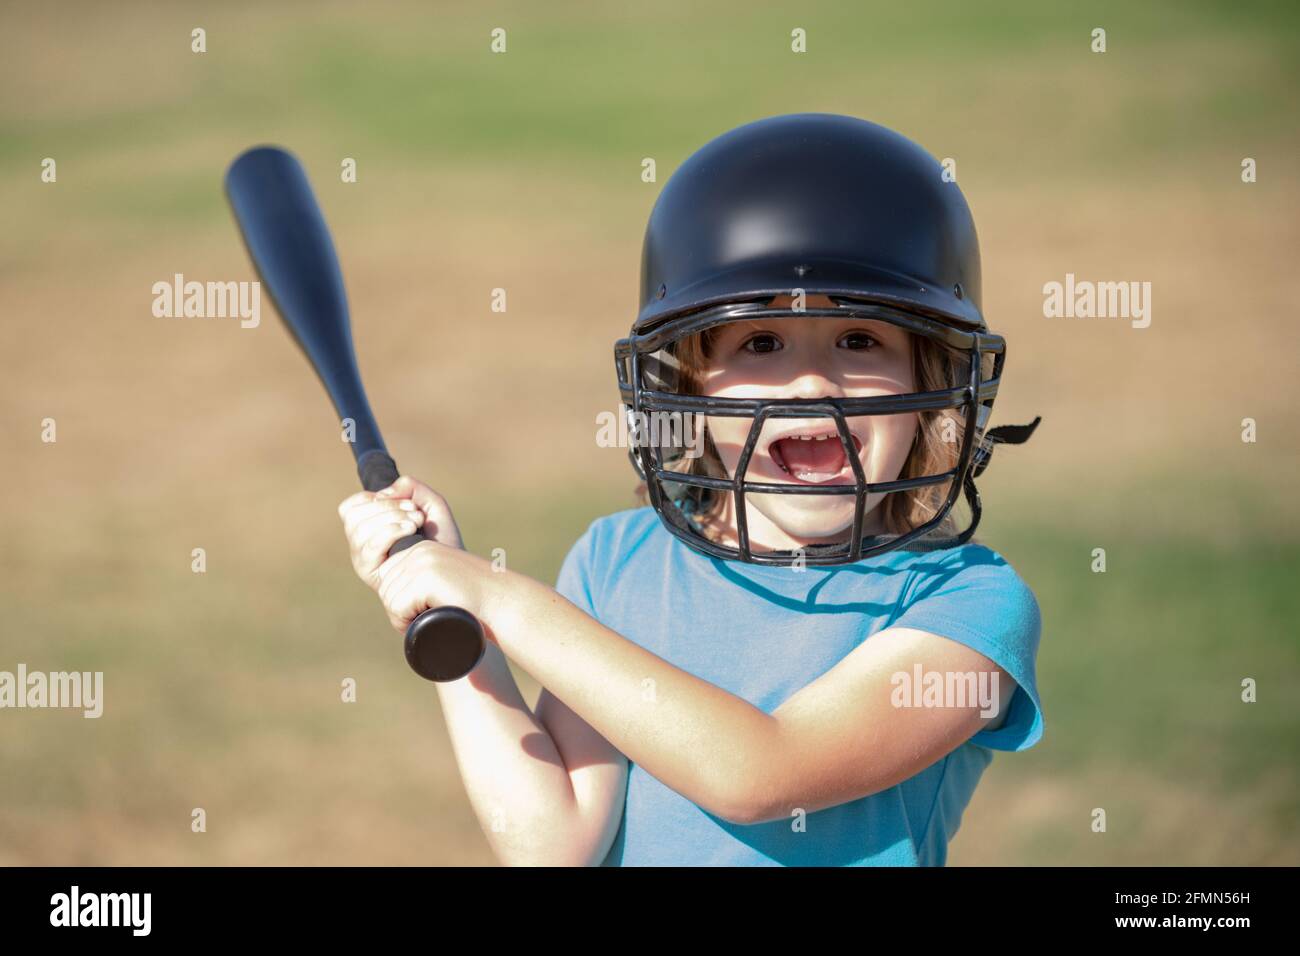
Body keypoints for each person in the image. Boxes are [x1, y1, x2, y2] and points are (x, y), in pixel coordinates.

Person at [338, 113, 1044, 865]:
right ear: (691, 385)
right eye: (760, 343)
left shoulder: (969, 604)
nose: (811, 383)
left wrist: (501, 597)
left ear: (931, 383)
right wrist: (457, 615)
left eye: (860, 340)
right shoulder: (618, 560)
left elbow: (765, 773)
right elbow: (551, 844)